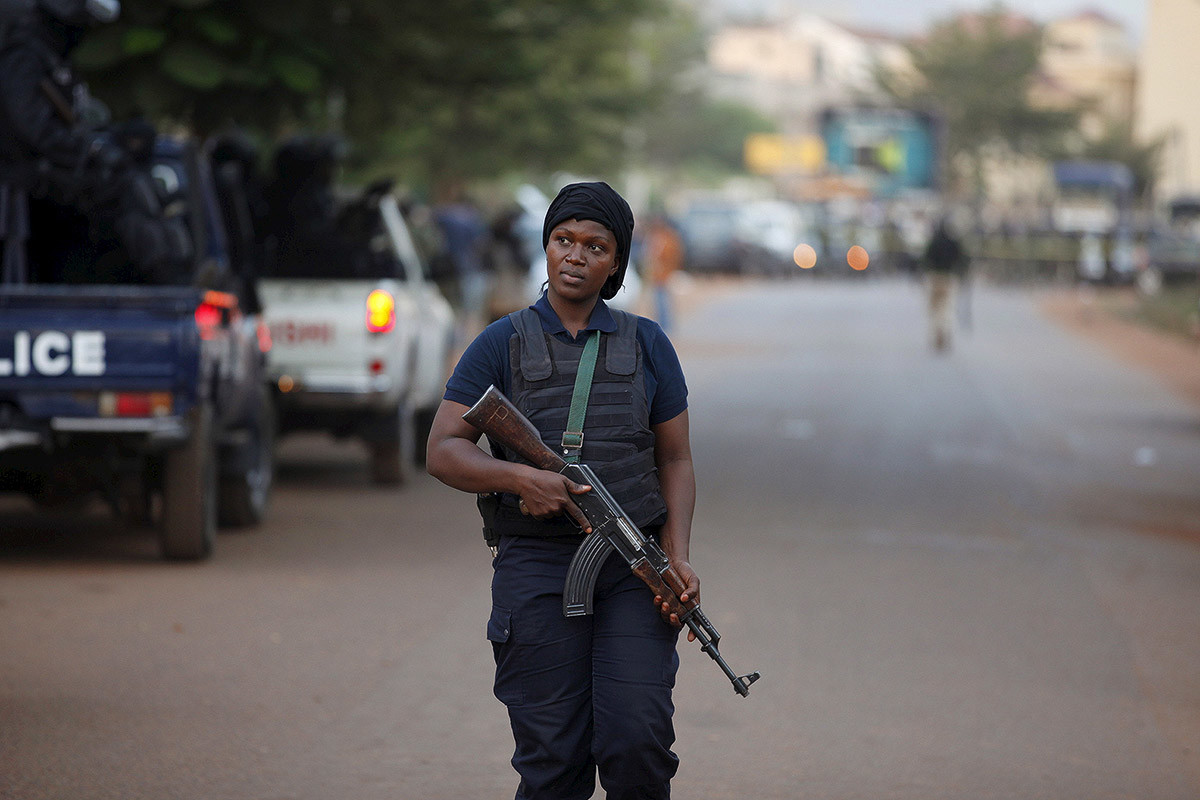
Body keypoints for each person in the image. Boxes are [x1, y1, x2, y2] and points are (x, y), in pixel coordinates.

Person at [426, 181, 697, 800]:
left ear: (617, 263)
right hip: (536, 567)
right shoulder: (501, 343)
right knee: (554, 759)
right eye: (563, 240)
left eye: (595, 246)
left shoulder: (649, 343)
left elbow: (676, 459)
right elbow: (443, 449)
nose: (575, 256)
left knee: (639, 745)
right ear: (546, 248)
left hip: (634, 569)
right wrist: (519, 478)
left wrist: (676, 555)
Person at [0, 0, 190, 285]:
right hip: (25, 176)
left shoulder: (52, 56)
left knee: (138, 181)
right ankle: (169, 286)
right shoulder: (24, 54)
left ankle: (172, 278)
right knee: (126, 187)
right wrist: (88, 151)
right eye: (84, 20)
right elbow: (33, 129)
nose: (86, 30)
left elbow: (77, 118)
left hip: (50, 172)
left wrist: (102, 143)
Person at [922, 217, 969, 352]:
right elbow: (962, 261)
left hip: (935, 278)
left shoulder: (933, 242)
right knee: (947, 308)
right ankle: (945, 331)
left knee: (935, 309)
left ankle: (938, 332)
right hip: (949, 278)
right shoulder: (954, 243)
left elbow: (926, 260)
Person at [640, 213, 684, 332]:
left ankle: (665, 326)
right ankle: (662, 325)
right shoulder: (656, 237)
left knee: (662, 301)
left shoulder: (668, 238)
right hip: (657, 274)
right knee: (658, 301)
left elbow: (671, 256)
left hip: (663, 274)